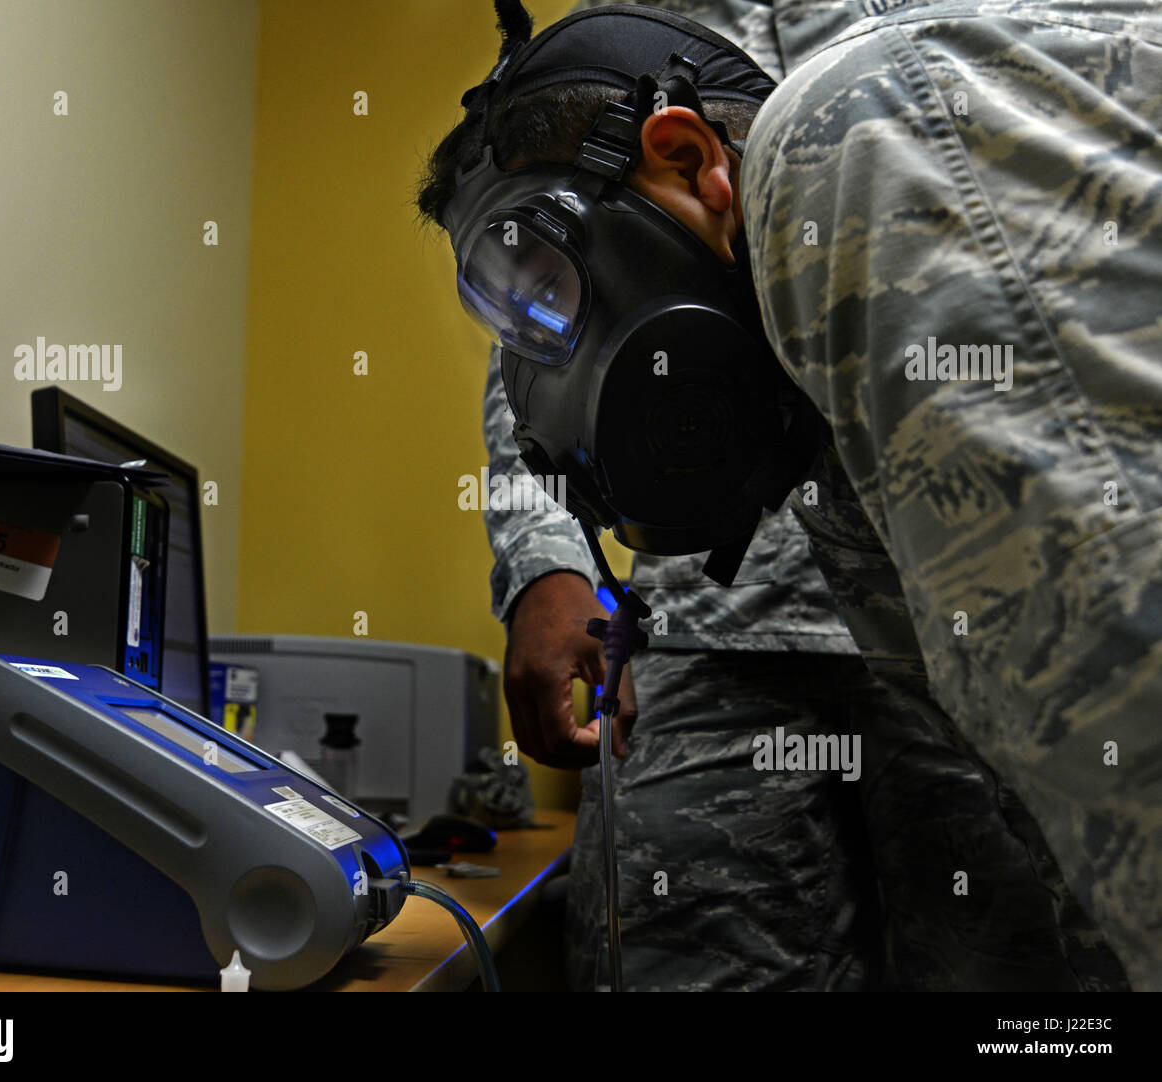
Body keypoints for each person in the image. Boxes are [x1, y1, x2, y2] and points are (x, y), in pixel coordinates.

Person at [439, 0, 1135, 991]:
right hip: (707, 626)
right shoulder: (647, 38)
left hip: (974, 618)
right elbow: (552, 323)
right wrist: (549, 562)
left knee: (1033, 984)